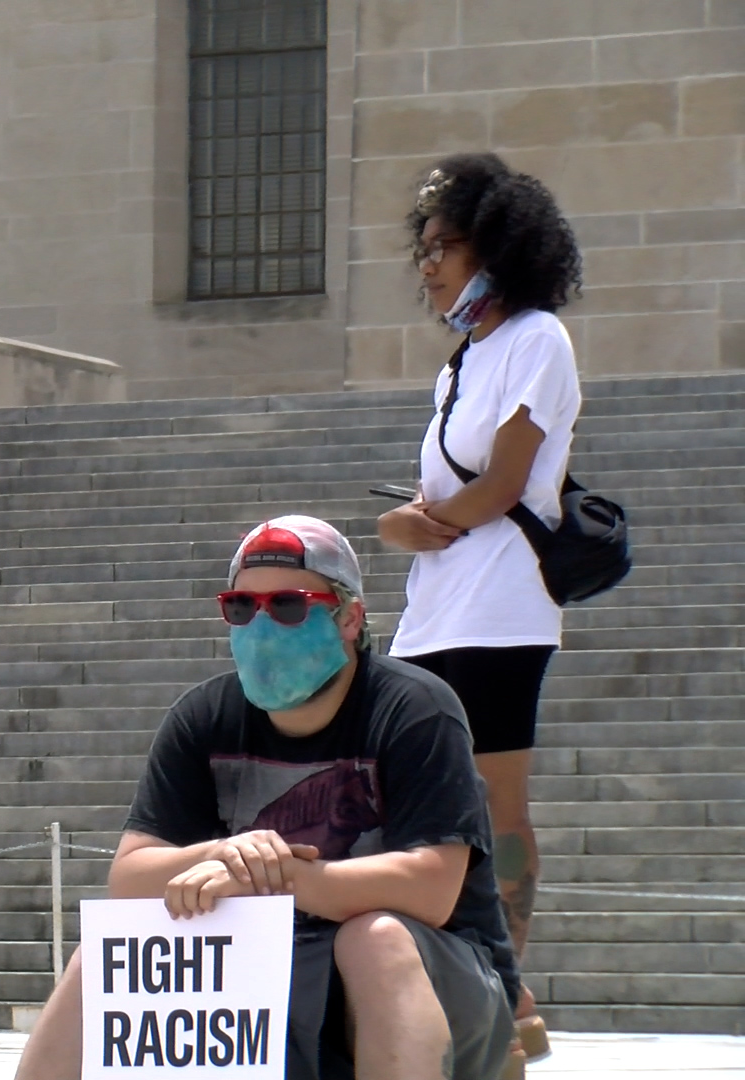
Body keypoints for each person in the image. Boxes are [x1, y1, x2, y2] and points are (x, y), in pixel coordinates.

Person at [13, 516, 518, 1080]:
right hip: (267, 969)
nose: (260, 623)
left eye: (288, 605)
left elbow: (430, 890)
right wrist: (225, 855)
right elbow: (129, 878)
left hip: (437, 979)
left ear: (349, 618)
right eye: (240, 606)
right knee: (105, 956)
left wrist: (273, 876)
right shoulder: (203, 716)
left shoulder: (415, 708)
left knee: (373, 938)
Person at [377, 152, 584, 1060]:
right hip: (433, 611)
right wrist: (401, 526)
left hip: (500, 611)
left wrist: (418, 524)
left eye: (446, 246)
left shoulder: (538, 339)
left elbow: (504, 484)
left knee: (497, 805)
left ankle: (506, 996)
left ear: (498, 250)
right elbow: (444, 498)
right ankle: (496, 992)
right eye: (422, 249)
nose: (429, 265)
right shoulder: (460, 363)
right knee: (420, 799)